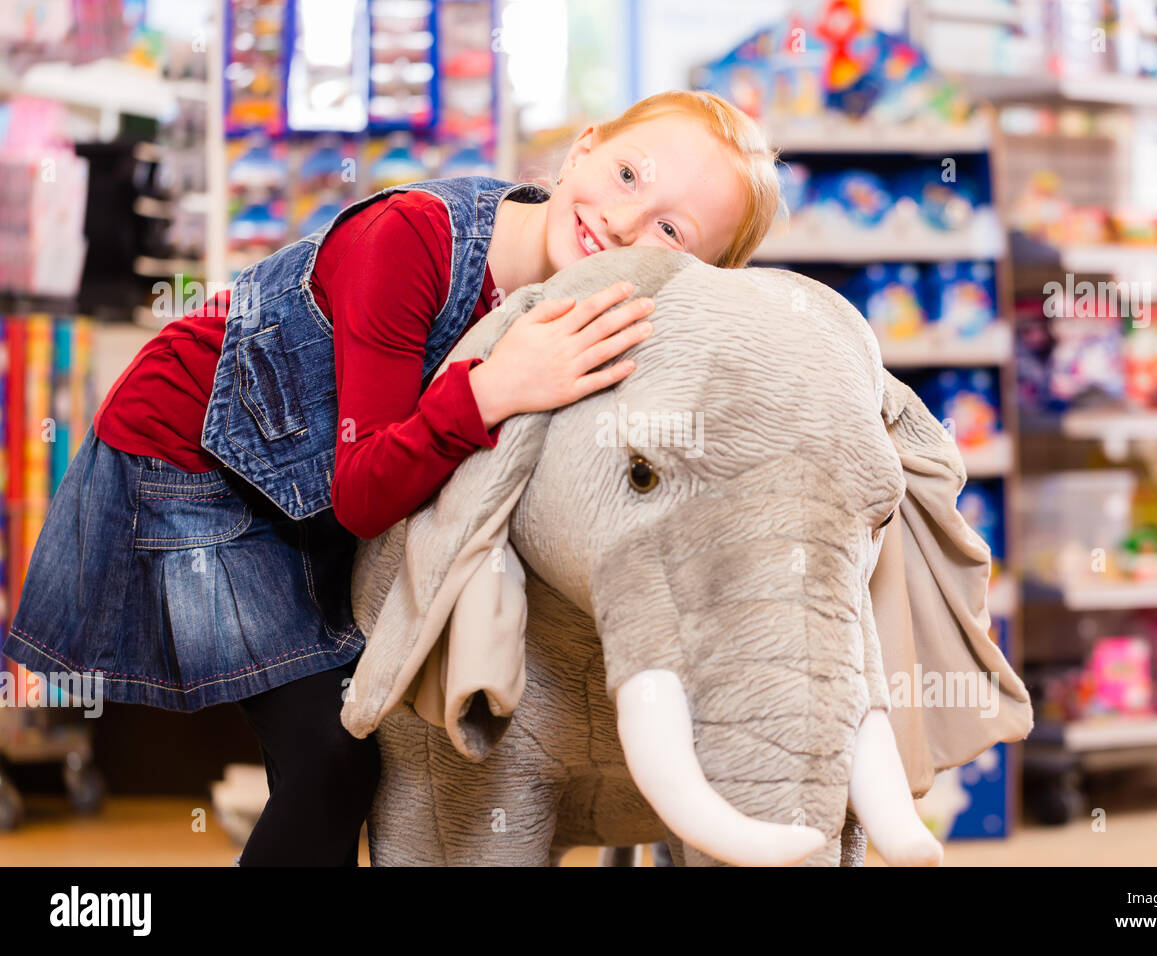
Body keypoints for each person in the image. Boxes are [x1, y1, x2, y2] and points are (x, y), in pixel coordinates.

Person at [0, 89, 781, 865]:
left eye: (671, 231)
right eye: (628, 175)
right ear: (581, 149)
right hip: (195, 463)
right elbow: (366, 493)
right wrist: (496, 389)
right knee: (334, 759)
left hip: (304, 488)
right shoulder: (407, 240)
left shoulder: (594, 307)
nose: (623, 221)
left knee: (362, 752)